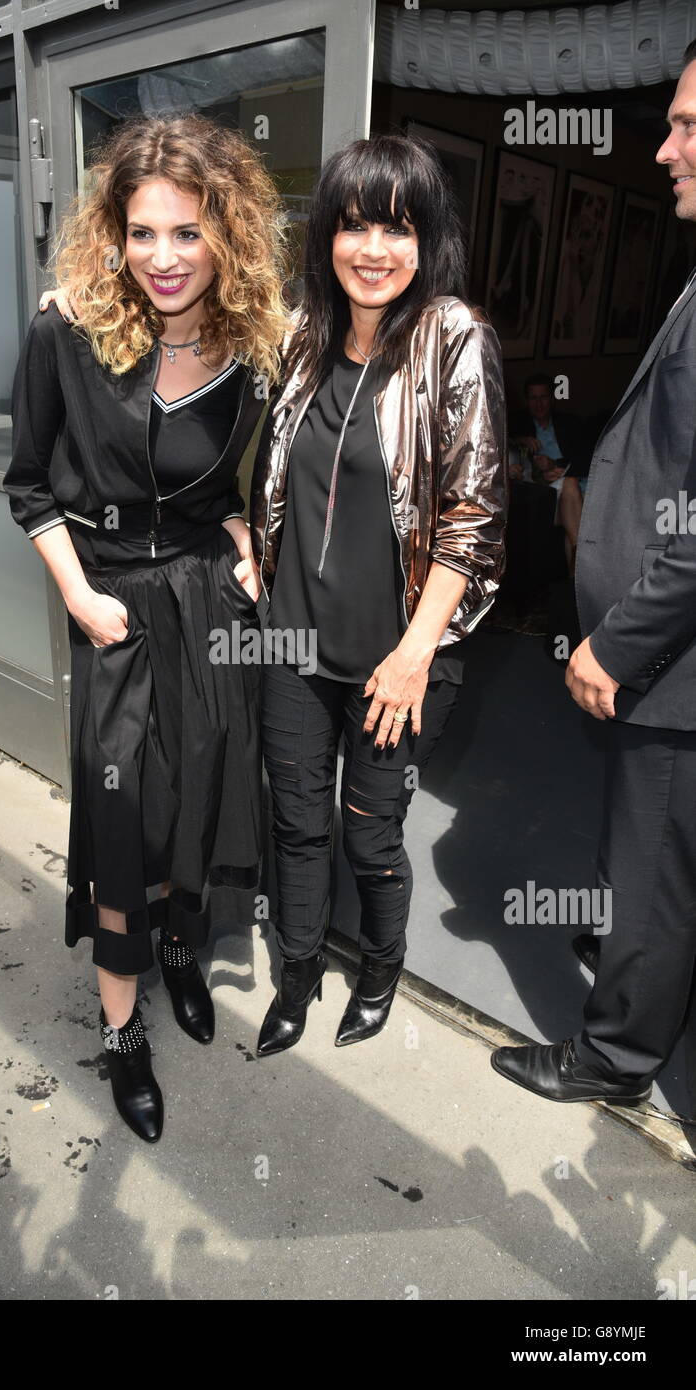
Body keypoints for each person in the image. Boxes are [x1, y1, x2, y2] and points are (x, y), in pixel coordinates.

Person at [4, 113, 290, 1142]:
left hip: (211, 610)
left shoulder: (252, 350)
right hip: (115, 609)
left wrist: (250, 538)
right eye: (142, 233)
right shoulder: (66, 335)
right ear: (112, 235)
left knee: (199, 796)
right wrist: (80, 597)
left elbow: (233, 486)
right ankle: (122, 1033)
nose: (164, 258)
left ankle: (180, 947)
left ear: (229, 232)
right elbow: (28, 485)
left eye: (187, 232)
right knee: (123, 820)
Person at [249, 132, 508, 1055]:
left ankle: (379, 969)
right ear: (325, 235)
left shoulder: (451, 341)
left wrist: (411, 657)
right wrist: (74, 305)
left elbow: (471, 523)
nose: (372, 248)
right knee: (295, 824)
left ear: (425, 238)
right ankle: (294, 974)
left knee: (367, 835)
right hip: (291, 647)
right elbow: (186, 326)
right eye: (353, 224)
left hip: (395, 664)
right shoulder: (303, 340)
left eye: (396, 228)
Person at [492, 38, 696, 1108]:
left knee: (655, 867)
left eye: (689, 126)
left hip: (672, 672)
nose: (665, 149)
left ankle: (613, 1056)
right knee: (654, 866)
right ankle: (635, 961)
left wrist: (615, 642)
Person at [509, 373, 589, 573]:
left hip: (573, 480)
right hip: (543, 488)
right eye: (533, 398)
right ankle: (579, 556)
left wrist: (557, 464)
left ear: (552, 399)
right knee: (570, 489)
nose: (539, 404)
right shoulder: (519, 424)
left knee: (570, 487)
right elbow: (501, 442)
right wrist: (520, 440)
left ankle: (574, 569)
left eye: (543, 397)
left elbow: (587, 455)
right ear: (527, 401)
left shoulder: (569, 423)